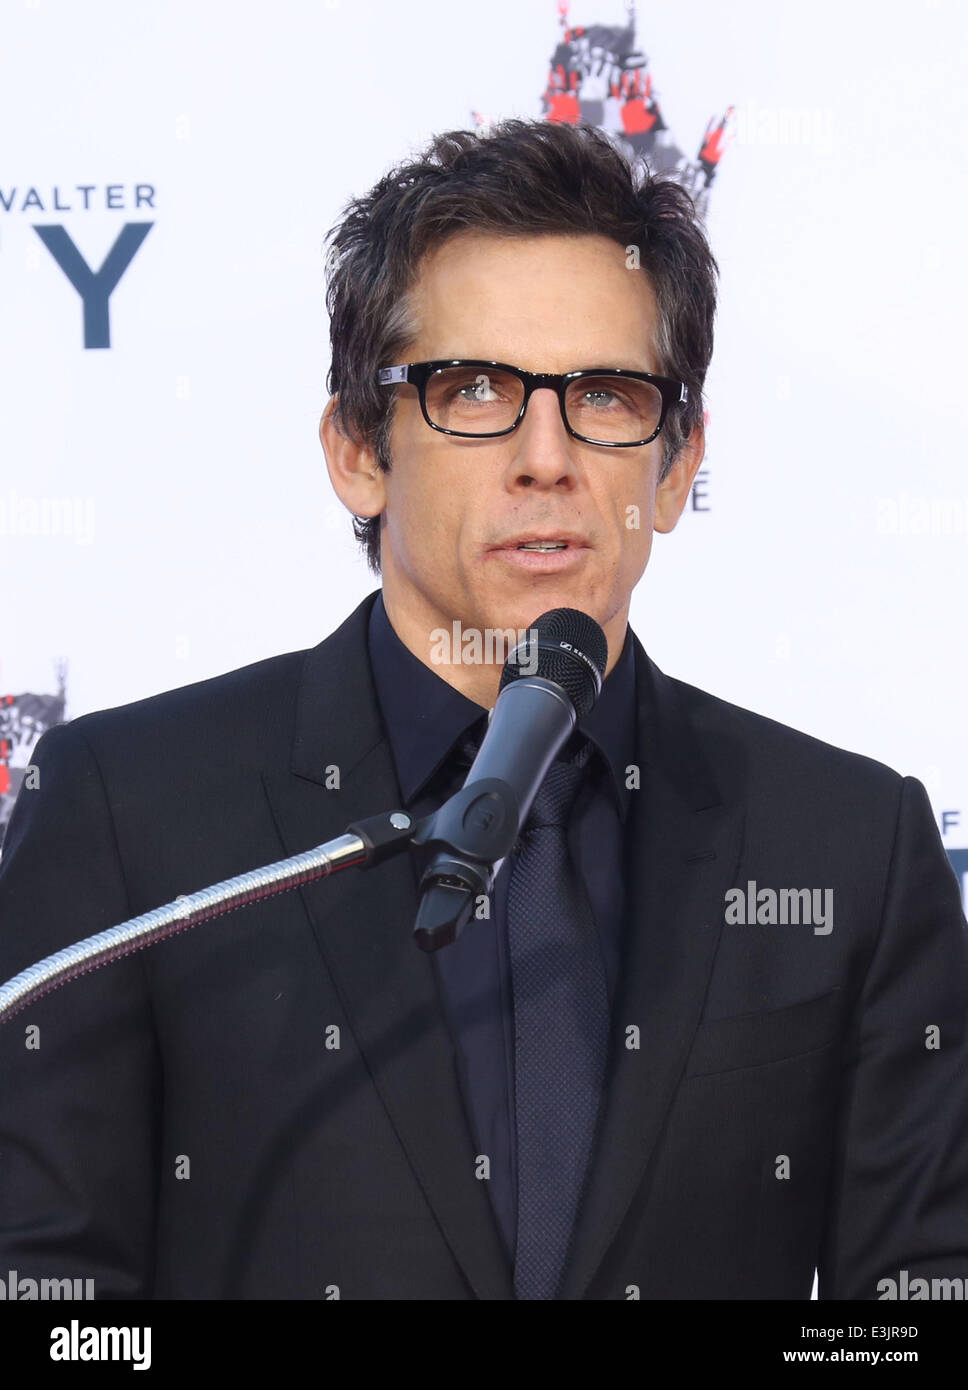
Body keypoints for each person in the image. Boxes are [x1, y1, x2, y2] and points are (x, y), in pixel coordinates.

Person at [1, 118, 966, 1302]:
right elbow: (49, 1298)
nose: (545, 457)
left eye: (604, 396)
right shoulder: (125, 810)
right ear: (359, 448)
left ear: (673, 466)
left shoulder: (845, 839)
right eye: (474, 391)